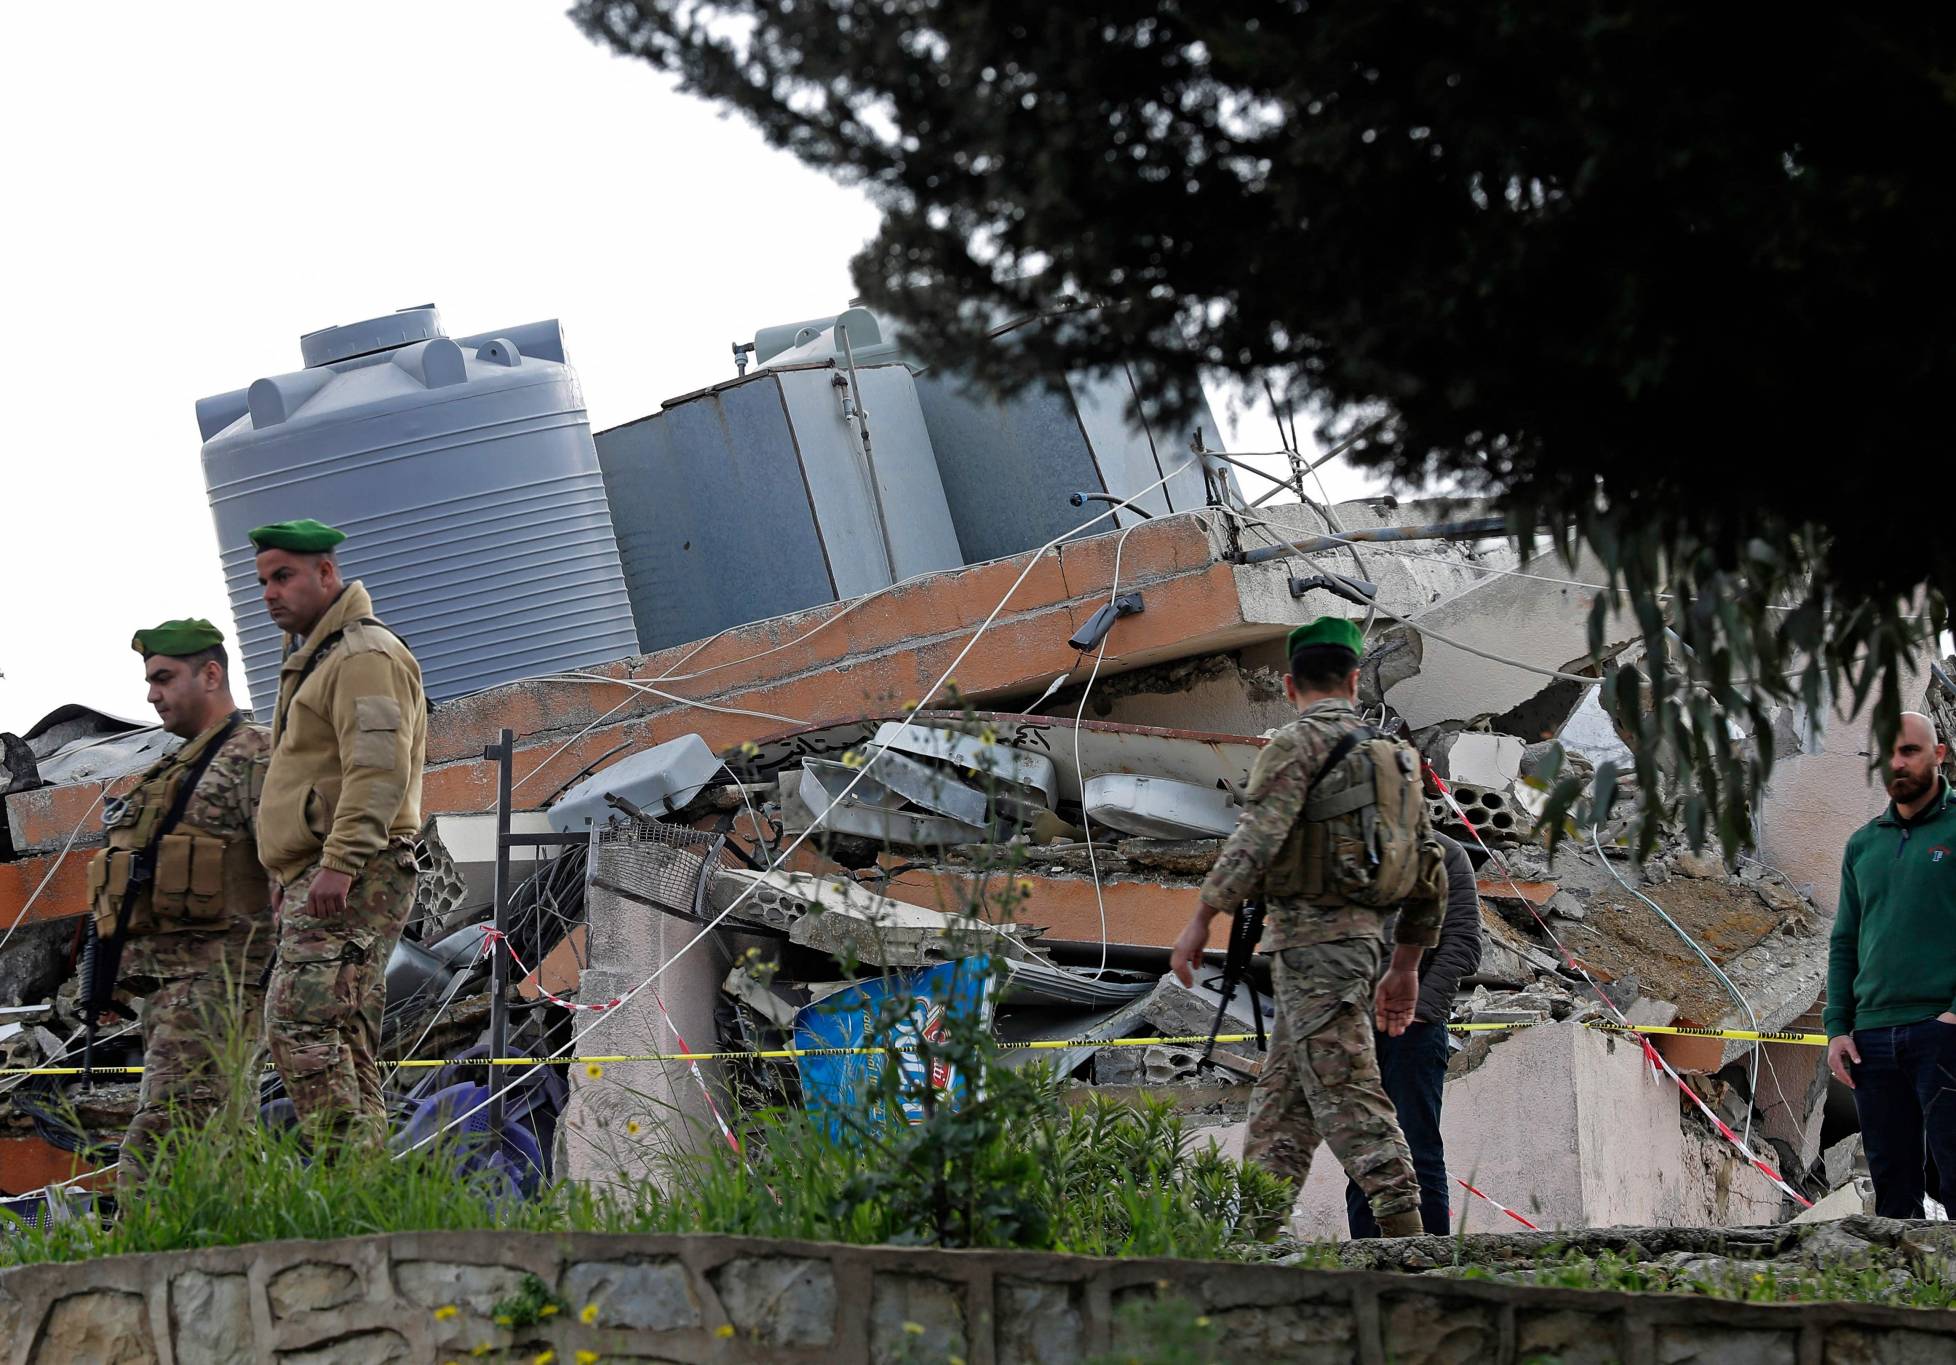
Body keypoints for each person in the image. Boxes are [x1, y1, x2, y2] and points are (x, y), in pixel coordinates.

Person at [1170, 616, 1445, 1239]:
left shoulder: (1294, 746)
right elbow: (1431, 868)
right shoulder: (1397, 758)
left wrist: (1199, 922)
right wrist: (1403, 968)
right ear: (1354, 680)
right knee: (1281, 1108)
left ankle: (1412, 1245)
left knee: (1347, 1089)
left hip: (1313, 946)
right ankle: (1257, 1242)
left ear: (1290, 686)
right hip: (1362, 947)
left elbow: (1257, 838)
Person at [252, 519, 427, 1147]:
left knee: (297, 1026)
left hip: (359, 869)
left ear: (327, 574)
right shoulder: (316, 658)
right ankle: (366, 1195)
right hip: (326, 871)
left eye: (284, 576)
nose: (270, 592)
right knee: (344, 1035)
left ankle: (344, 1166)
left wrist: (339, 863)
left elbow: (379, 766)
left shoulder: (361, 656)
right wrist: (288, 873)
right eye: (263, 581)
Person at [86, 619, 272, 1200]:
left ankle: (144, 1257)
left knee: (162, 1137)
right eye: (149, 679)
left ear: (210, 673)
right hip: (172, 991)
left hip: (216, 985)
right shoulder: (175, 769)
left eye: (164, 677)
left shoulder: (254, 756)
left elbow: (296, 866)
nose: (151, 694)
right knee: (225, 1136)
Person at [1825, 710, 1956, 1218]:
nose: (1897, 763)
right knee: (1893, 1187)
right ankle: (1906, 1296)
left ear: (1938, 755)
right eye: (1888, 754)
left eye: (1910, 751)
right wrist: (1838, 1028)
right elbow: (1844, 942)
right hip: (1872, 1039)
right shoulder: (1863, 844)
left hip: (1940, 1031)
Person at [1344, 830, 1481, 1237]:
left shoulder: (1446, 854)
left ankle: (1431, 1260)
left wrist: (1420, 1012)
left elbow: (1464, 944)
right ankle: (1368, 1262)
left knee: (1417, 1151)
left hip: (1413, 1032)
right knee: (1361, 1156)